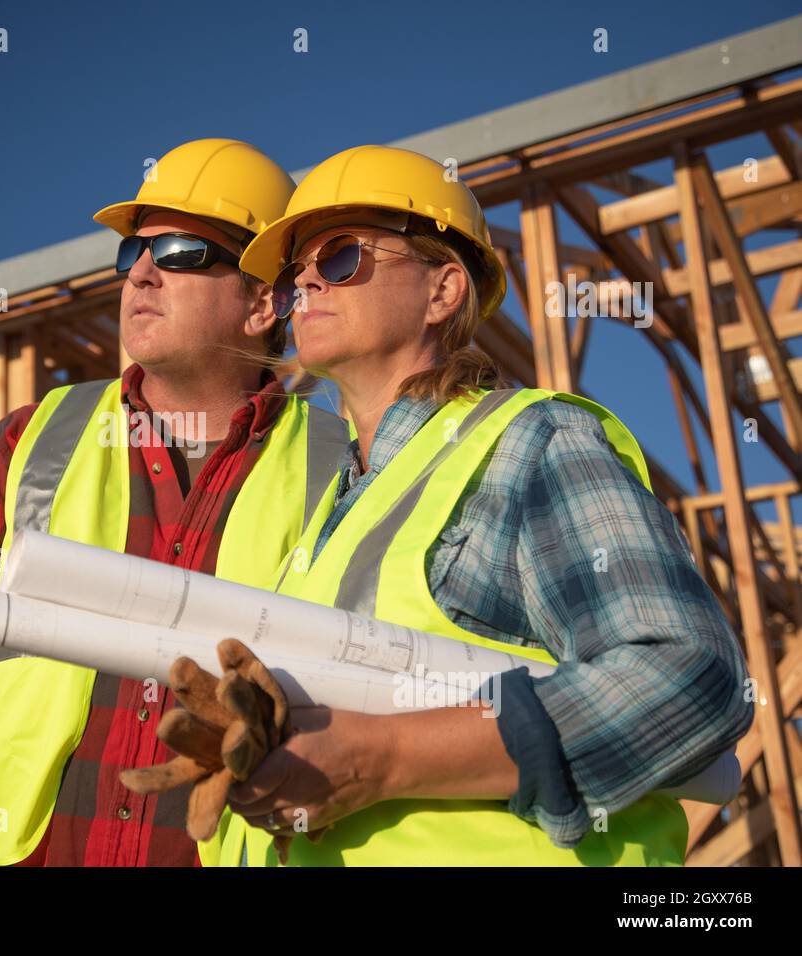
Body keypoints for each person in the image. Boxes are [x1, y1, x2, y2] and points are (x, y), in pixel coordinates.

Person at [222, 144, 754, 866]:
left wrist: (388, 757)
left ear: (442, 292)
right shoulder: (330, 521)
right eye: (296, 271)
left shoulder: (530, 443)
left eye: (341, 255)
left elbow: (690, 676)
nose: (307, 280)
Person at [0, 138, 348, 866]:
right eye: (130, 254)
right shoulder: (33, 443)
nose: (140, 272)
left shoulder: (341, 466)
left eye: (180, 252)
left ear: (262, 302)